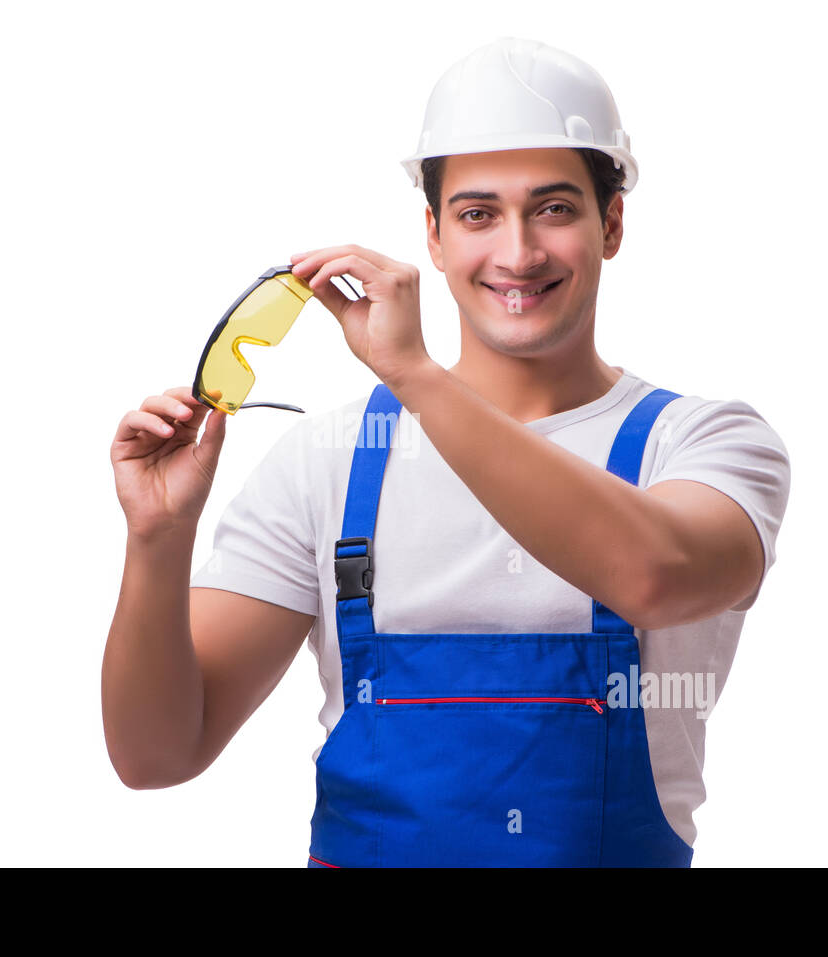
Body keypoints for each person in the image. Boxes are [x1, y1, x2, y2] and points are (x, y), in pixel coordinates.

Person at [103, 37, 791, 867]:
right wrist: (158, 538)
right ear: (432, 234)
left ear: (612, 223)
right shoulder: (329, 460)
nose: (517, 252)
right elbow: (154, 755)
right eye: (477, 213)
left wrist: (415, 374)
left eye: (554, 208)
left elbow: (650, 573)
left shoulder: (705, 442)